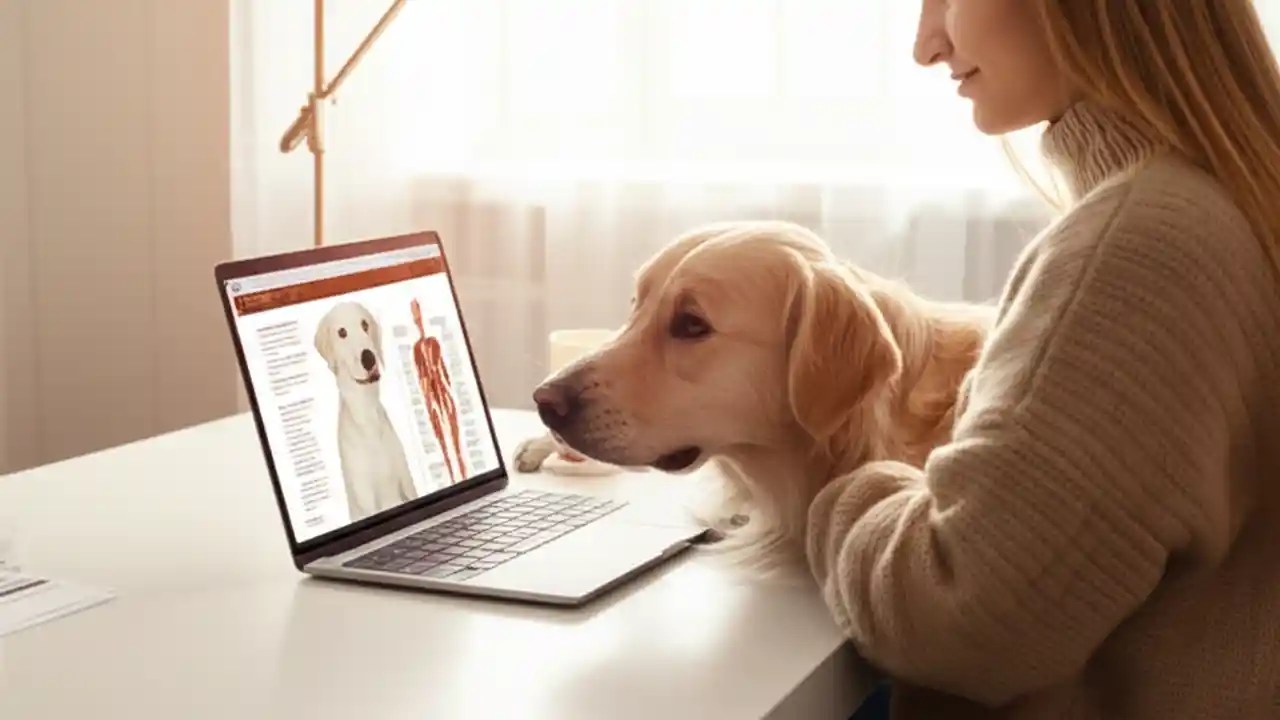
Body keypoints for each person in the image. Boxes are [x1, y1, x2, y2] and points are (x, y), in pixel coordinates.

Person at [814, 1, 1280, 718]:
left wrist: (840, 490)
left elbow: (963, 625)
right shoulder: (1216, 202)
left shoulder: (1141, 245)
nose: (925, 45)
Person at [410, 299, 467, 484]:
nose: (418, 319)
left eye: (418, 314)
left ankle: (463, 472)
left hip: (444, 391)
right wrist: (428, 396)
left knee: (454, 429)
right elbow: (421, 376)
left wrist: (445, 387)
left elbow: (442, 369)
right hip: (431, 397)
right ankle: (451, 475)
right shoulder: (417, 348)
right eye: (415, 316)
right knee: (441, 436)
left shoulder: (433, 343)